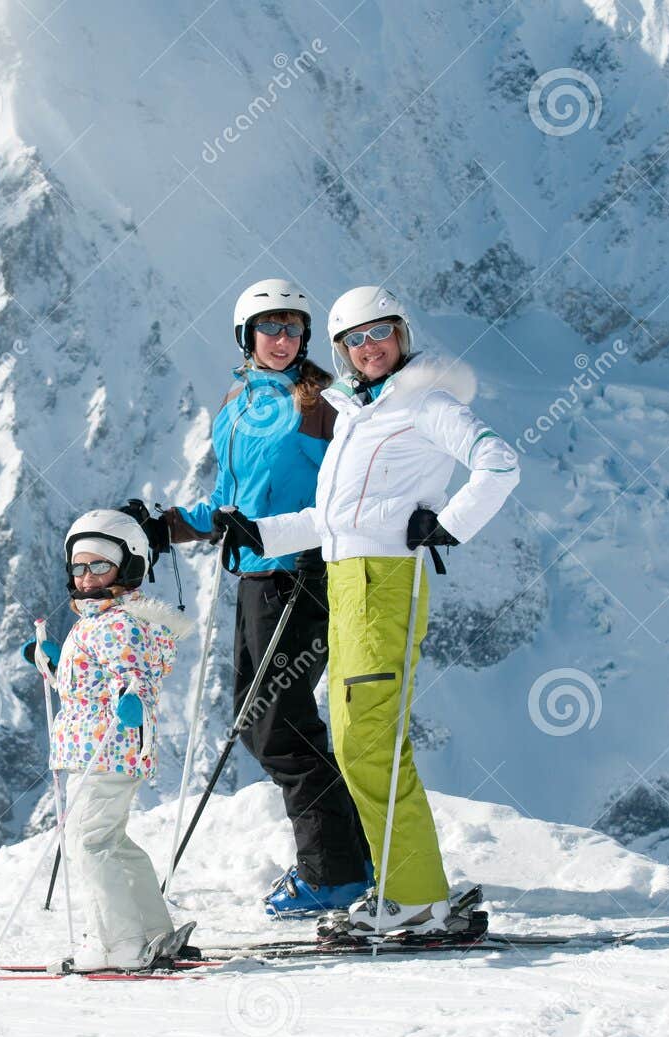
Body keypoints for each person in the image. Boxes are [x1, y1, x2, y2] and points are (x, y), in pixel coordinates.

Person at [213, 286, 520, 936]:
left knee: (367, 739)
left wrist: (448, 525)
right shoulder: (356, 413)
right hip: (347, 581)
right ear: (342, 352)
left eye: (381, 332)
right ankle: (411, 889)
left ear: (402, 335)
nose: (370, 346)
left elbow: (498, 462)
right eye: (355, 339)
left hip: (385, 582)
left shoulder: (424, 403)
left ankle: (416, 898)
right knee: (361, 740)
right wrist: (259, 535)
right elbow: (330, 518)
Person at [164, 278, 371, 918]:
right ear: (246, 337)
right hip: (255, 575)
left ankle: (336, 873)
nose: (282, 340)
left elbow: (359, 484)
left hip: (304, 570)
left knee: (279, 722)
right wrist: (168, 524)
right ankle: (348, 857)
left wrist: (321, 538)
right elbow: (232, 502)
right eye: (270, 328)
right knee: (259, 724)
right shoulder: (235, 403)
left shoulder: (323, 405)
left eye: (292, 329)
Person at [22, 508, 194, 970]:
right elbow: (87, 689)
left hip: (109, 750)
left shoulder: (118, 623)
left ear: (130, 566)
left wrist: (132, 697)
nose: (87, 576)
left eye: (100, 565)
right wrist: (54, 664)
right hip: (100, 748)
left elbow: (133, 676)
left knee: (88, 842)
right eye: (79, 566)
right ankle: (153, 930)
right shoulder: (96, 621)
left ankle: (118, 942)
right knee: (112, 843)